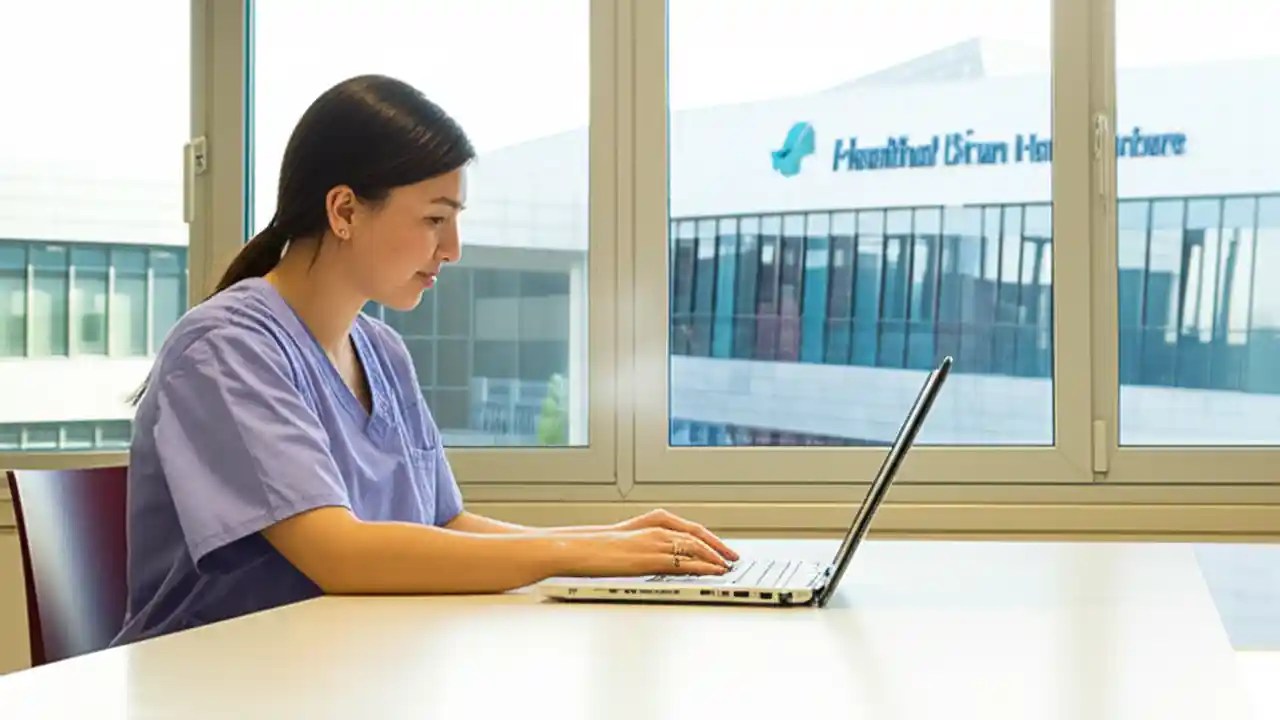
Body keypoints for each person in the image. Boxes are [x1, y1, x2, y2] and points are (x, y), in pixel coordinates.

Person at [112, 75, 736, 646]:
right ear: (345, 211)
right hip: (216, 684)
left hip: (345, 670)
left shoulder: (382, 351)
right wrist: (574, 553)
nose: (453, 249)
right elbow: (340, 554)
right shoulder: (225, 349)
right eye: (436, 218)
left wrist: (619, 541)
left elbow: (447, 524)